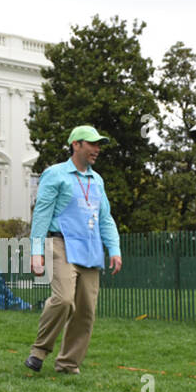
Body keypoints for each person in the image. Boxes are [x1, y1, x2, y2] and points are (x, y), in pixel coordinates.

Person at [25, 125, 122, 375]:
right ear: (76, 144)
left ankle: (68, 364)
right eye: (92, 144)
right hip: (61, 243)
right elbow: (42, 213)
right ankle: (39, 351)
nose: (97, 149)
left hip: (90, 248)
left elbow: (105, 218)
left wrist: (114, 248)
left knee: (86, 310)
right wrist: (36, 252)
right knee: (64, 299)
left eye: (99, 144)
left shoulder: (97, 180)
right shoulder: (55, 174)